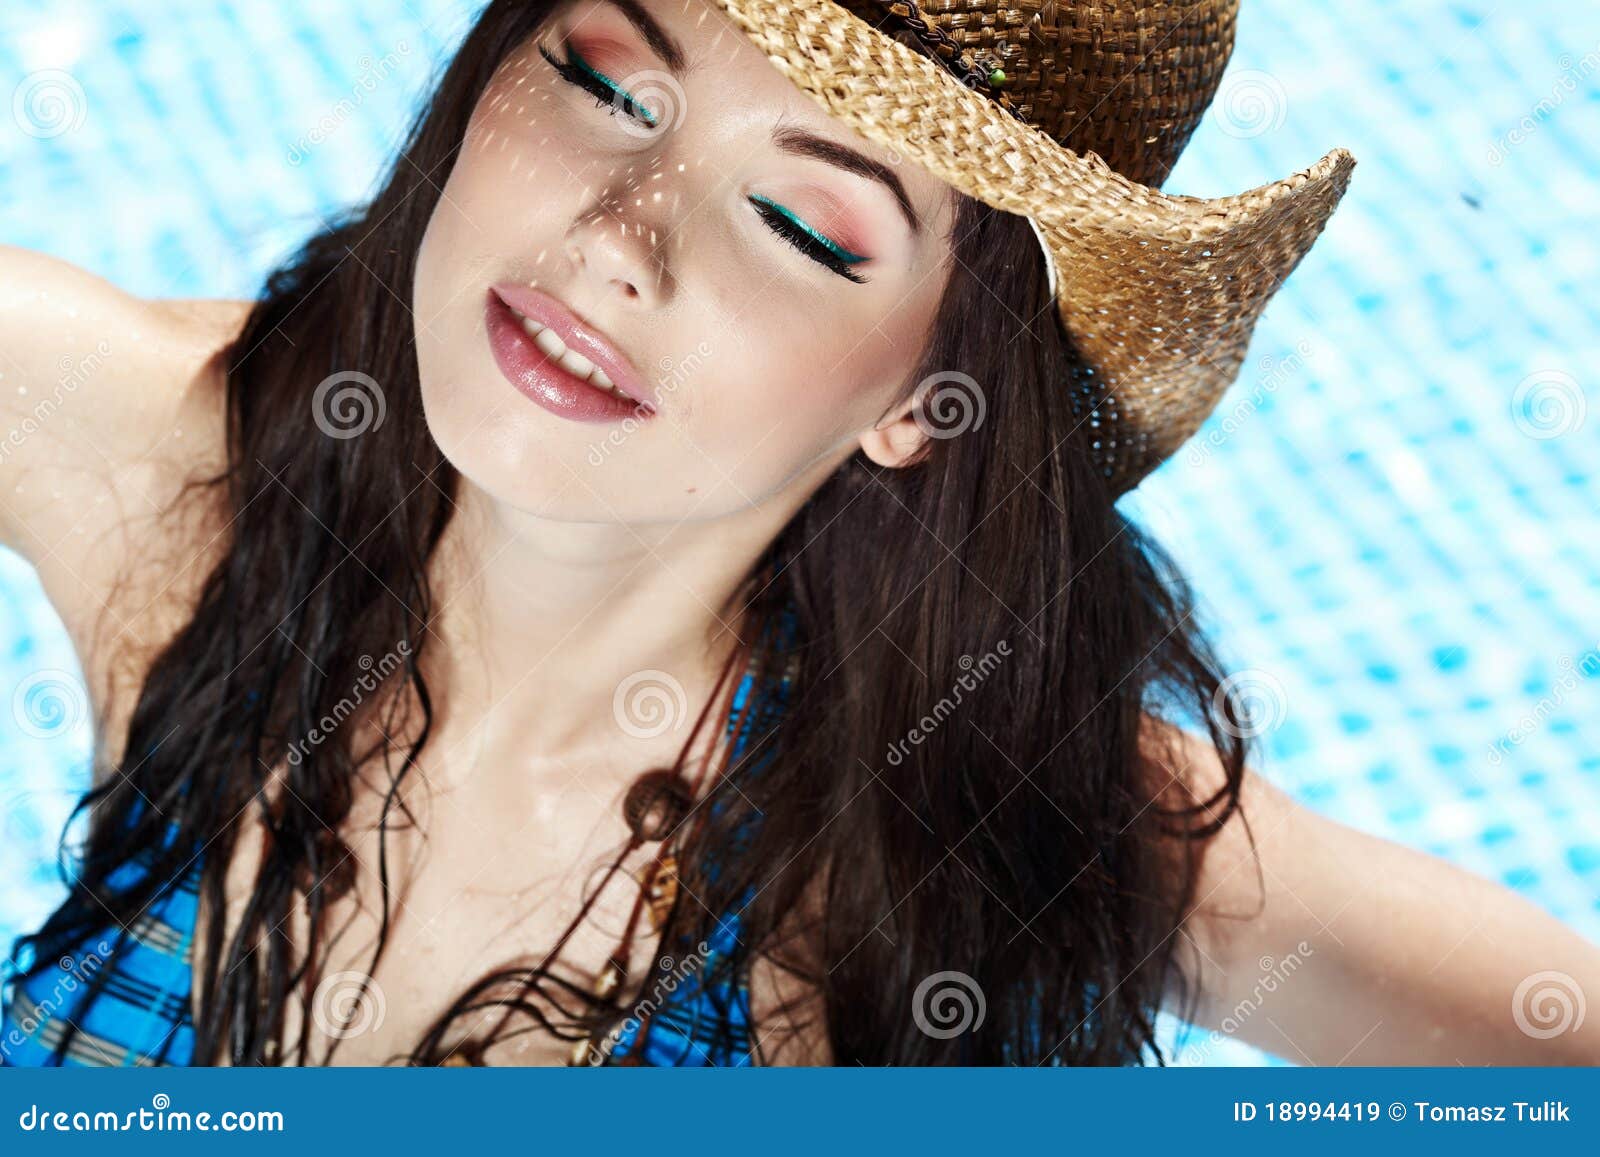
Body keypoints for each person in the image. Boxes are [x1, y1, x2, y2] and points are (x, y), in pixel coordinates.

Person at [2, 0, 1596, 1067]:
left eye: (800, 224)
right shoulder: (149, 459)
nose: (618, 244)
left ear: (925, 395)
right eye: (608, 83)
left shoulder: (980, 810)